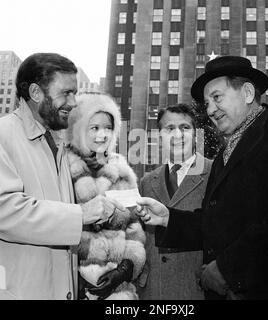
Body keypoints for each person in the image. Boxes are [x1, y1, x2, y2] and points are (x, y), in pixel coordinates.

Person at [136, 55, 268, 300]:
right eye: (206, 103)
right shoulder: (225, 155)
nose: (210, 110)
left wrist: (227, 268)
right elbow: (215, 223)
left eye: (217, 98)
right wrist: (169, 218)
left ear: (246, 93)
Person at [0, 53, 124, 300]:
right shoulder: (3, 135)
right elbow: (5, 210)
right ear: (36, 93)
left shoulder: (55, 142)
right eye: (65, 93)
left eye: (74, 92)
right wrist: (83, 213)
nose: (74, 101)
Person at [66, 94, 146, 300]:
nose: (103, 134)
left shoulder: (121, 169)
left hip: (117, 290)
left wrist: (127, 268)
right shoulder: (61, 168)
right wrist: (76, 273)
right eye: (94, 128)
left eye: (108, 128)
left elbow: (134, 227)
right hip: (70, 284)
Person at [137, 104, 212, 300]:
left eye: (185, 127)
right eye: (170, 128)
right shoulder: (146, 182)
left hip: (195, 290)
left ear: (196, 134)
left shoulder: (215, 173)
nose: (178, 134)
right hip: (153, 292)